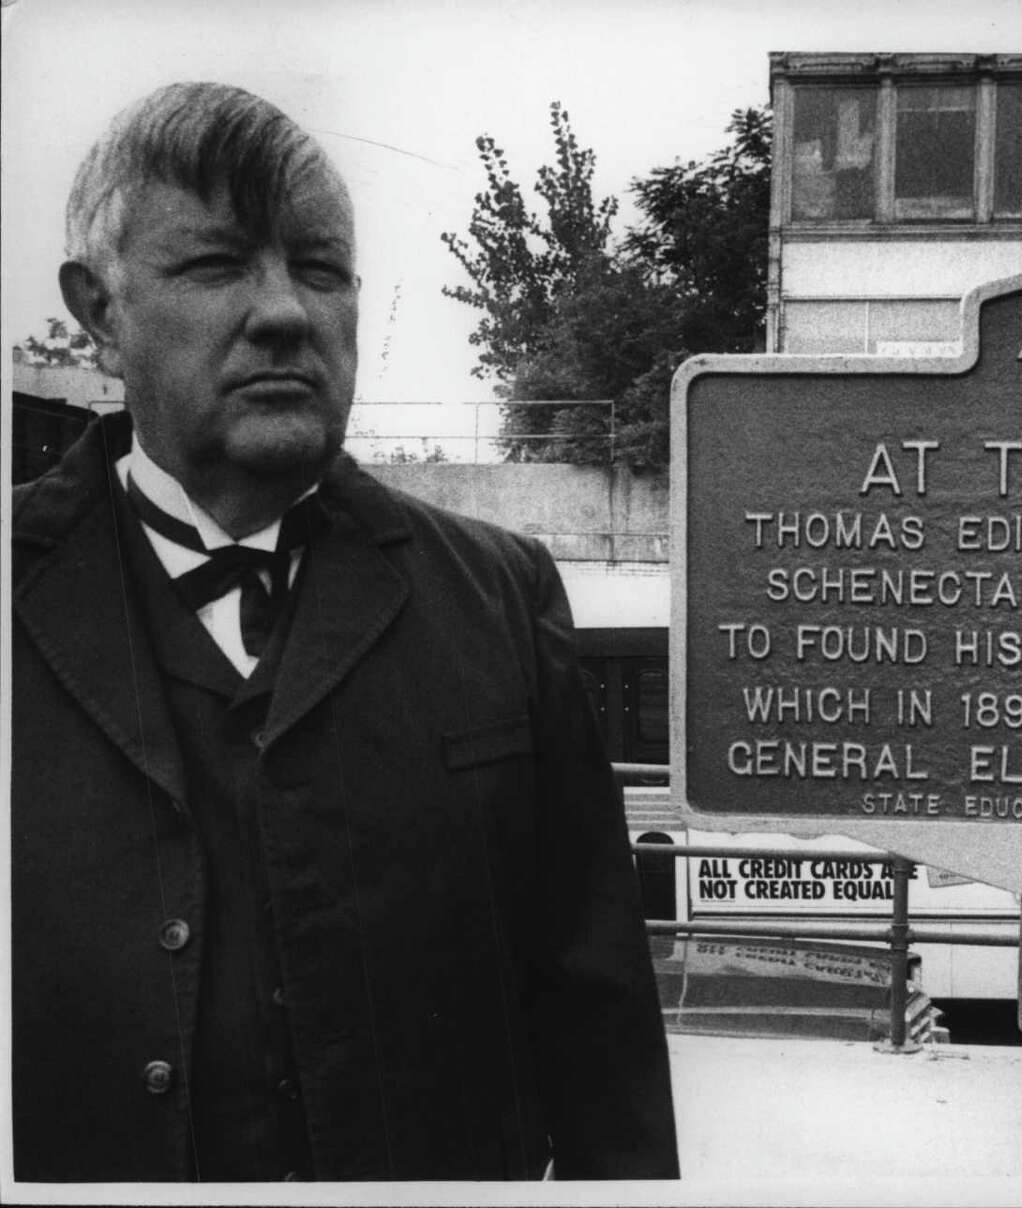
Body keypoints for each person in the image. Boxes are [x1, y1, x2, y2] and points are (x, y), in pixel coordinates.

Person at [11, 82, 678, 1181]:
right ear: (100, 310)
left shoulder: (501, 599)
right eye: (216, 265)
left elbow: (605, 1044)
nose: (284, 311)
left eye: (320, 269)